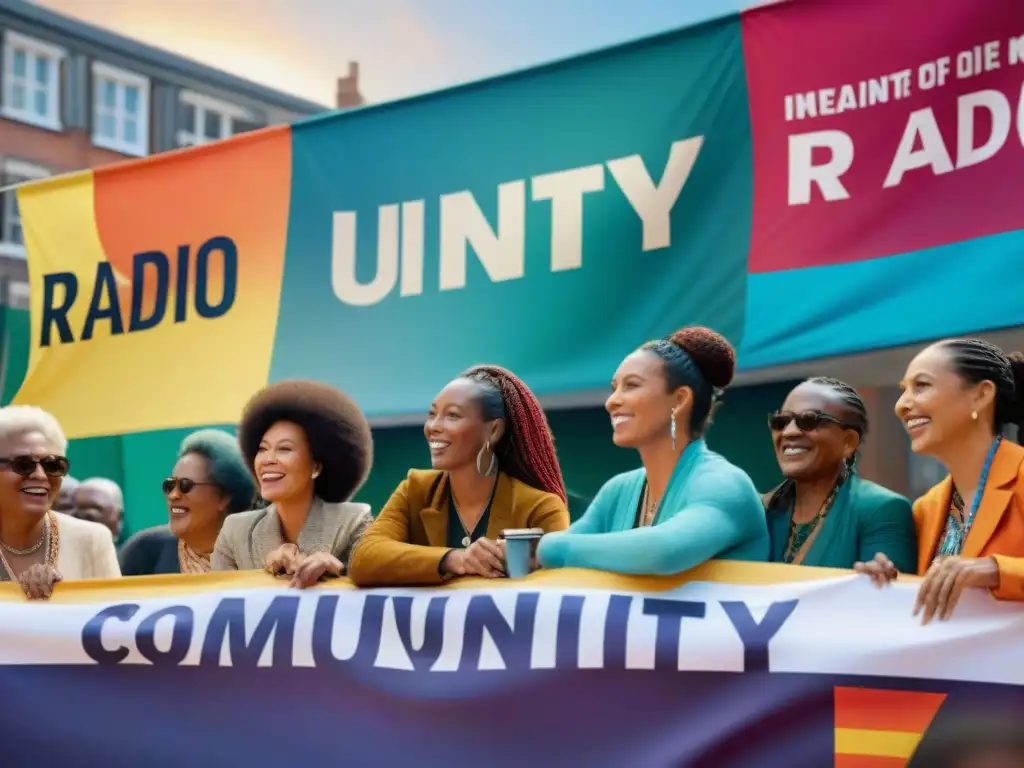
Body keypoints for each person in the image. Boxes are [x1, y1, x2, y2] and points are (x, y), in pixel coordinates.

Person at [537, 327, 769, 574]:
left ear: (679, 400)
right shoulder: (617, 491)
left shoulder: (725, 484)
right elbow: (567, 545)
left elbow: (663, 552)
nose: (611, 401)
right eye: (614, 388)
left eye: (631, 385)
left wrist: (547, 547)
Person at [350, 365, 570, 586]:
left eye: (452, 415)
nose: (433, 427)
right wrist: (455, 559)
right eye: (432, 414)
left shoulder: (540, 507)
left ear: (494, 430)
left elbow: (563, 579)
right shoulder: (415, 490)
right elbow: (364, 558)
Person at [856, 338, 1024, 623]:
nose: (901, 405)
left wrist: (995, 570)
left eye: (921, 385)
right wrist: (891, 582)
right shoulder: (926, 508)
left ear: (981, 395)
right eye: (903, 390)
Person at [212, 380, 374, 588]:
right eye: (262, 449)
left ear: (316, 467)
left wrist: (337, 571)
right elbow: (218, 597)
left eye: (284, 449)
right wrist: (267, 573)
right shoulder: (235, 531)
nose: (267, 460)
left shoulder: (354, 522)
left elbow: (377, 582)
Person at [763, 377, 916, 570]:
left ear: (848, 442)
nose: (789, 432)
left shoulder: (881, 510)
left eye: (809, 420)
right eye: (781, 422)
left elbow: (890, 586)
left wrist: (878, 577)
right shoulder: (761, 513)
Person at [0, 406, 120, 599]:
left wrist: (64, 596)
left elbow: (114, 614)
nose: (40, 475)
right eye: (23, 465)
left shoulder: (92, 540)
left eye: (53, 465)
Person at [119, 430, 257, 576]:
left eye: (185, 485)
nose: (173, 495)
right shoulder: (144, 551)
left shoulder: (257, 556)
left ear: (224, 498)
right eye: (170, 485)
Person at [73, 477, 123, 543]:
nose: (84, 514)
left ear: (119, 516)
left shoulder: (133, 548)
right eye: (79, 508)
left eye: (96, 508)